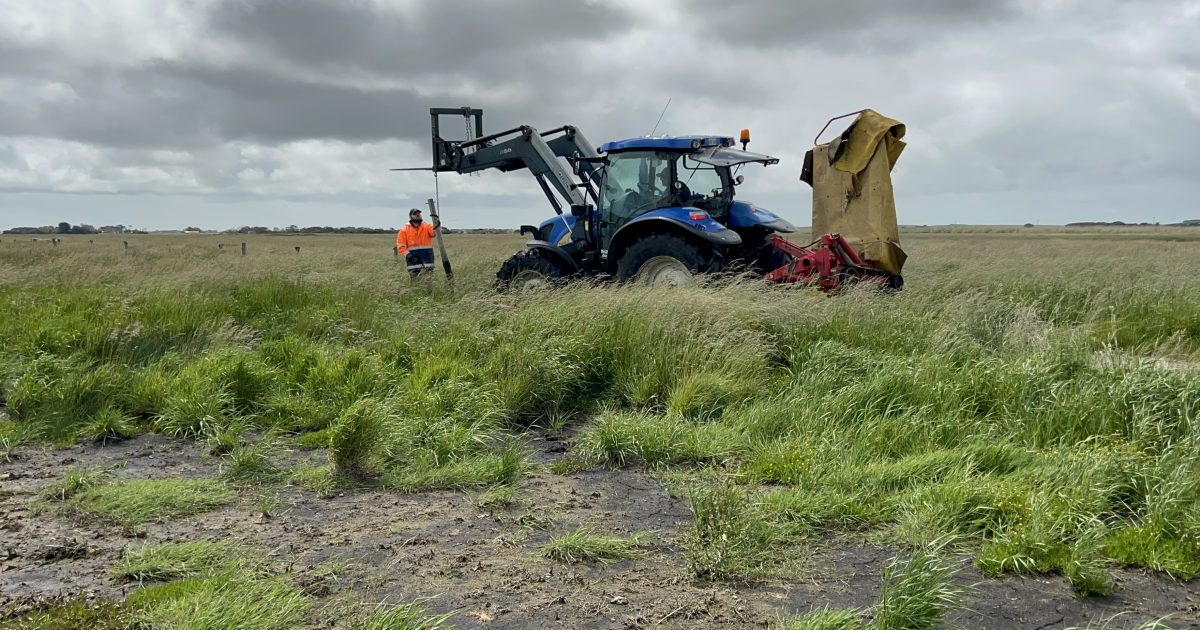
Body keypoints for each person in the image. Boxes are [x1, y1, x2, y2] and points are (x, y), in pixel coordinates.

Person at [396, 208, 436, 278]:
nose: (418, 215)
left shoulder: (427, 226)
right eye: (415, 214)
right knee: (415, 279)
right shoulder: (404, 230)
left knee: (429, 279)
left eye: (419, 214)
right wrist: (409, 256)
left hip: (427, 257)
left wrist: (436, 223)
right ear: (410, 217)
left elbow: (434, 233)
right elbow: (401, 246)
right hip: (413, 258)